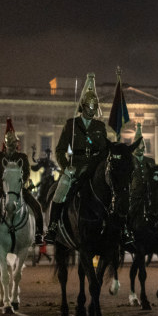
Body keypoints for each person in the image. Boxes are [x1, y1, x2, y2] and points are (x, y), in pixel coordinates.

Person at [43, 73, 110, 245]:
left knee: (114, 190)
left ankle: (121, 230)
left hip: (94, 168)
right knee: (60, 190)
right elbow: (59, 151)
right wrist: (66, 167)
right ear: (83, 106)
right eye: (90, 106)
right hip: (75, 167)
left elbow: (103, 151)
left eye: (95, 107)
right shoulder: (71, 124)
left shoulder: (99, 126)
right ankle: (52, 228)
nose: (93, 110)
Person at [0, 119, 43, 246]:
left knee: (37, 207)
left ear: (16, 144)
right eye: (9, 143)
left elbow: (26, 173)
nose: (11, 145)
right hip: (0, 189)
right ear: (5, 143)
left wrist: (18, 184)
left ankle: (39, 233)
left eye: (13, 143)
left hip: (18, 189)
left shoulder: (22, 157)